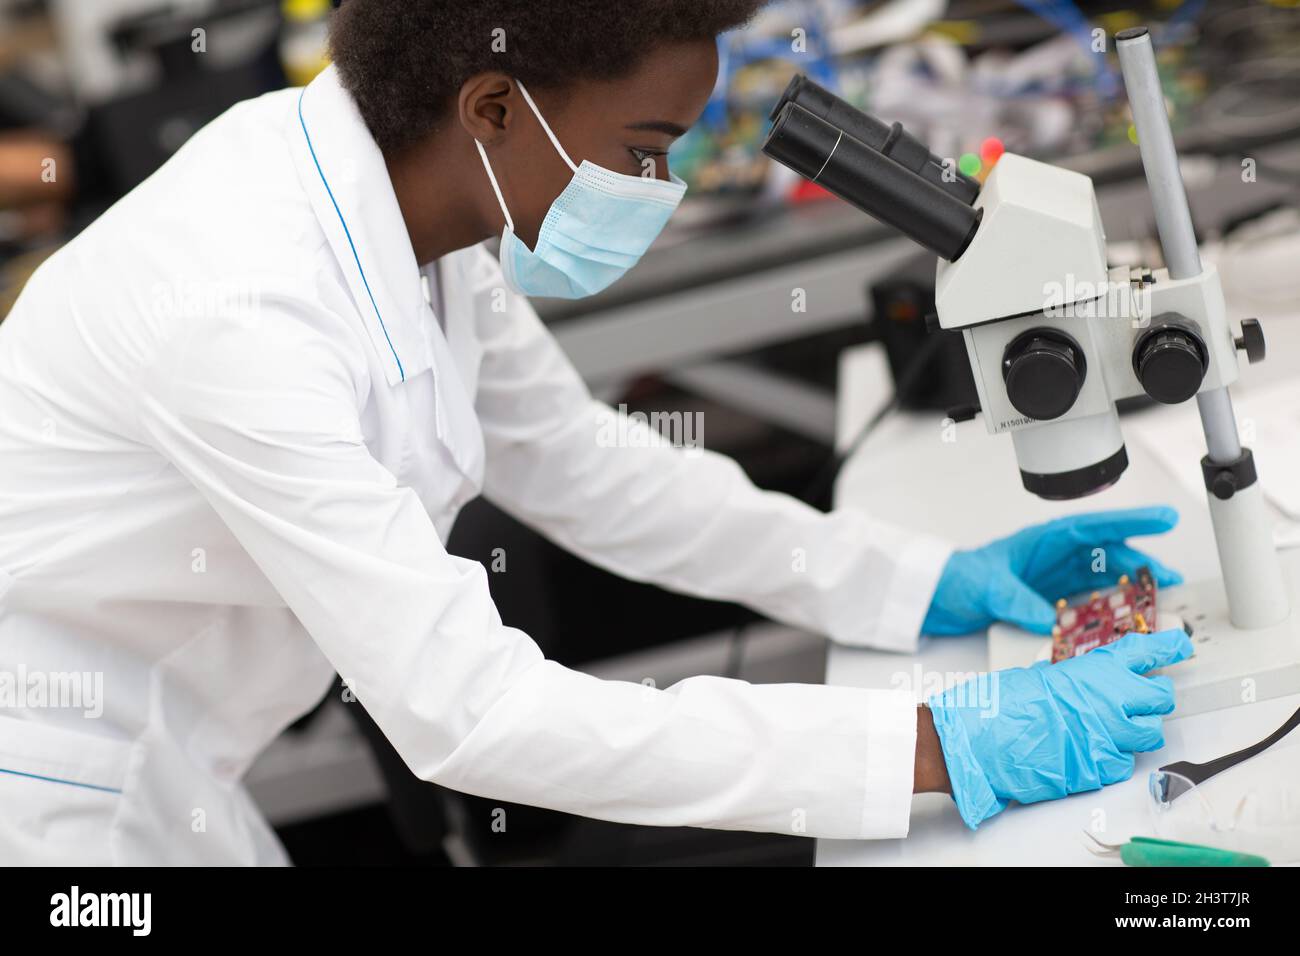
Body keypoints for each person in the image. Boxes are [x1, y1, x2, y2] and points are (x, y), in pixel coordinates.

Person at [0, 0, 1191, 865]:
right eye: (644, 150)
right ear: (496, 107)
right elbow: (474, 713)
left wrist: (921, 578)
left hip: (176, 761)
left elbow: (586, 467)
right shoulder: (240, 303)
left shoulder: (414, 210)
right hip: (57, 806)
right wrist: (940, 745)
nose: (661, 188)